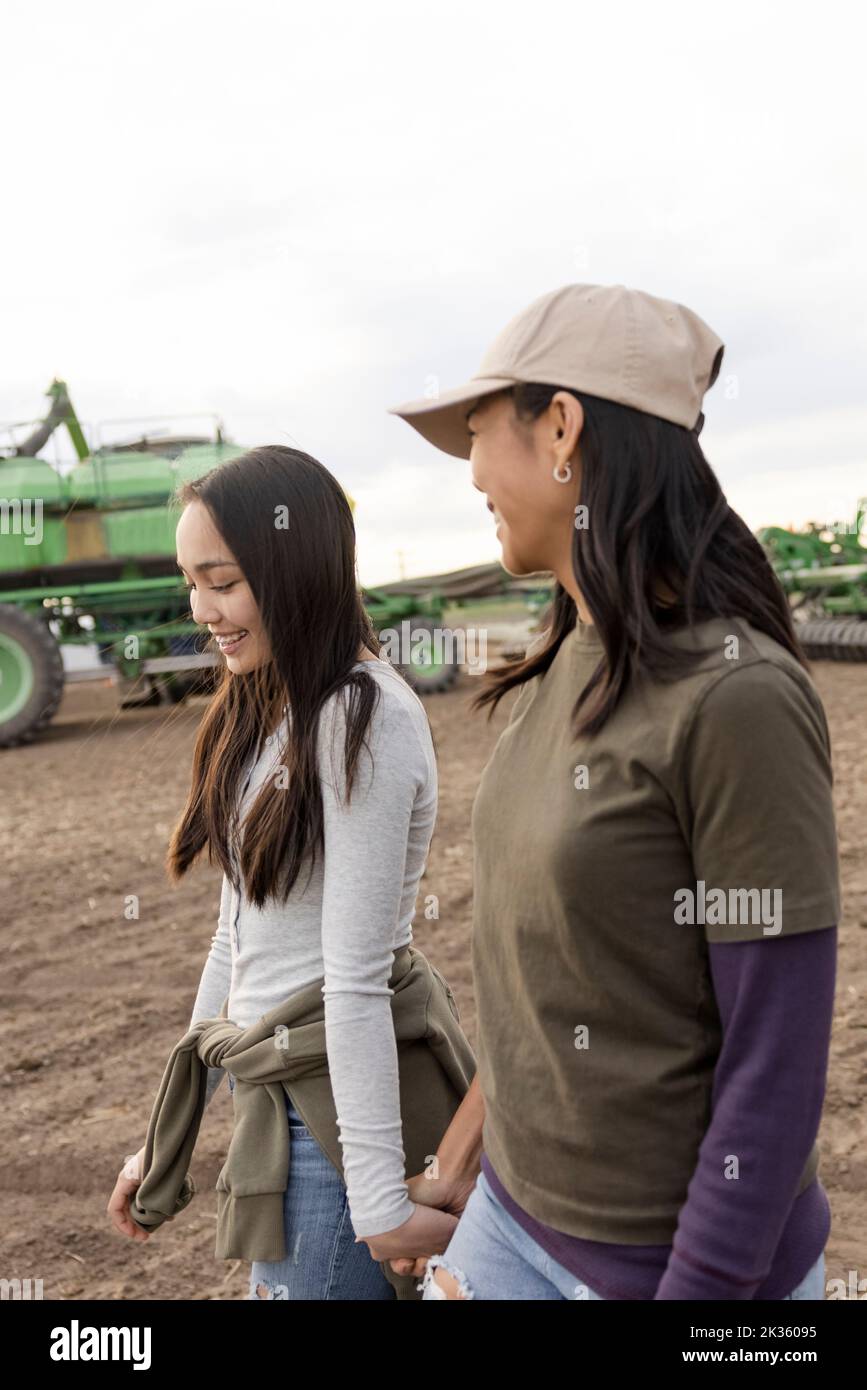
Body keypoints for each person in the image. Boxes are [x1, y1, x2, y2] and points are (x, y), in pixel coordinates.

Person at [385, 282, 840, 1300]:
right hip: (509, 1222)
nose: (470, 472)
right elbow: (553, 982)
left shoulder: (736, 698)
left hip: (668, 1269)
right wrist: (460, 1169)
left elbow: (774, 1064)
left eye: (475, 431)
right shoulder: (562, 667)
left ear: (561, 428)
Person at [106, 444, 474, 1299]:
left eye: (223, 582)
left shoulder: (362, 716)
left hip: (336, 1125)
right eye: (190, 583)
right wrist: (164, 1139)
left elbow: (354, 977)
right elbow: (236, 944)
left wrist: (376, 1204)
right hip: (280, 1105)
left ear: (294, 568)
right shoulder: (265, 706)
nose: (201, 610)